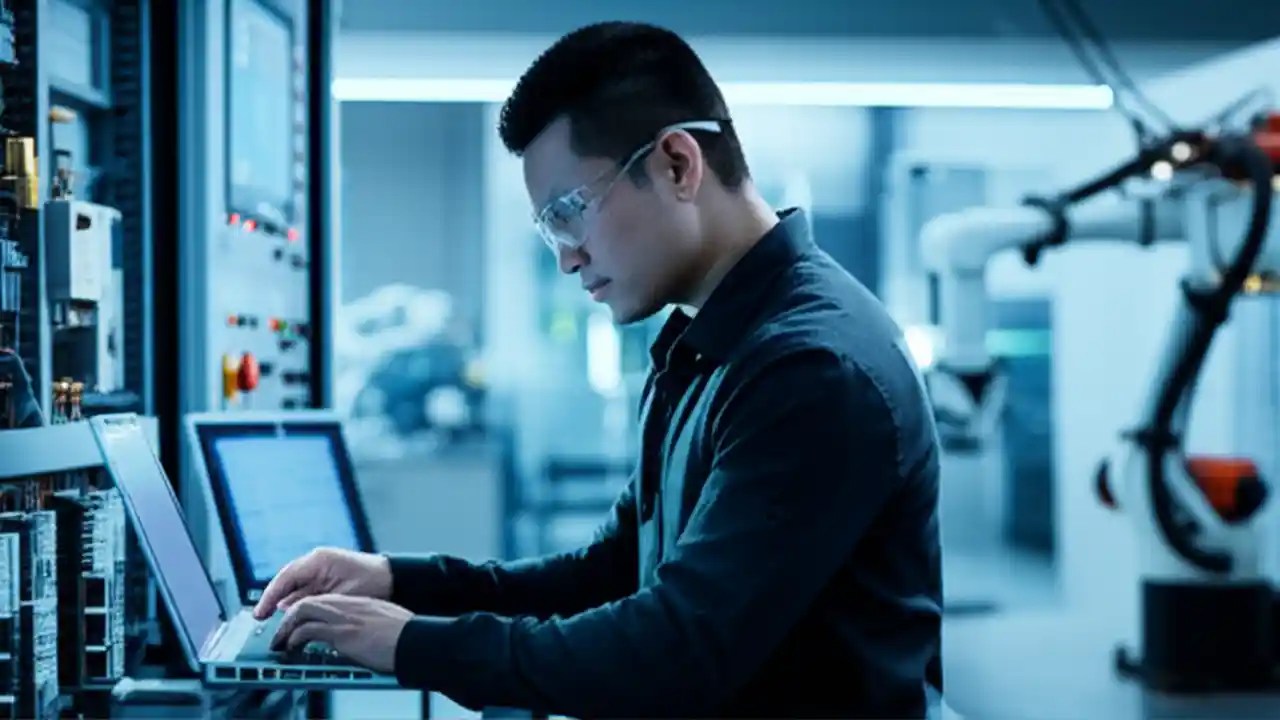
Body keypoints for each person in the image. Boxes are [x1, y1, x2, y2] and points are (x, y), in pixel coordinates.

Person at [258, 21, 943, 718]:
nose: (567, 256)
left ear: (678, 164)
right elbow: (608, 575)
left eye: (569, 213)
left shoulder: (811, 369)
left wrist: (414, 646)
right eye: (547, 229)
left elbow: (676, 650)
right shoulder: (704, 350)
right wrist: (394, 584)